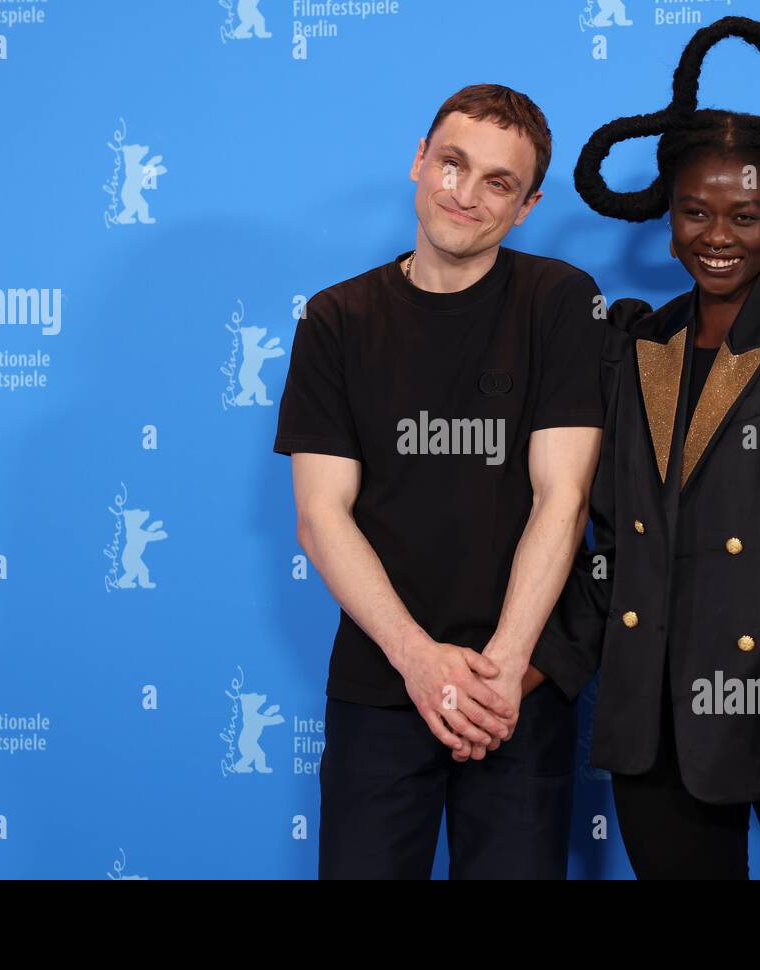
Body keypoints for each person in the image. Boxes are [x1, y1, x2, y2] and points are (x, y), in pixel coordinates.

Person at [531, 17, 760, 879]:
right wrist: (537, 668)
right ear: (667, 218)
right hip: (657, 728)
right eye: (696, 211)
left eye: (745, 213)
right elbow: (613, 547)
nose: (717, 235)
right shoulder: (632, 347)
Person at [273, 84, 606, 879]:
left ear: (526, 206)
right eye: (452, 163)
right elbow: (322, 515)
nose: (466, 193)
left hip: (517, 687)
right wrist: (420, 662)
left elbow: (563, 497)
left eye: (499, 182)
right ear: (419, 161)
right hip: (381, 681)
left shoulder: (559, 301)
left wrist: (499, 675)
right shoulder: (337, 319)